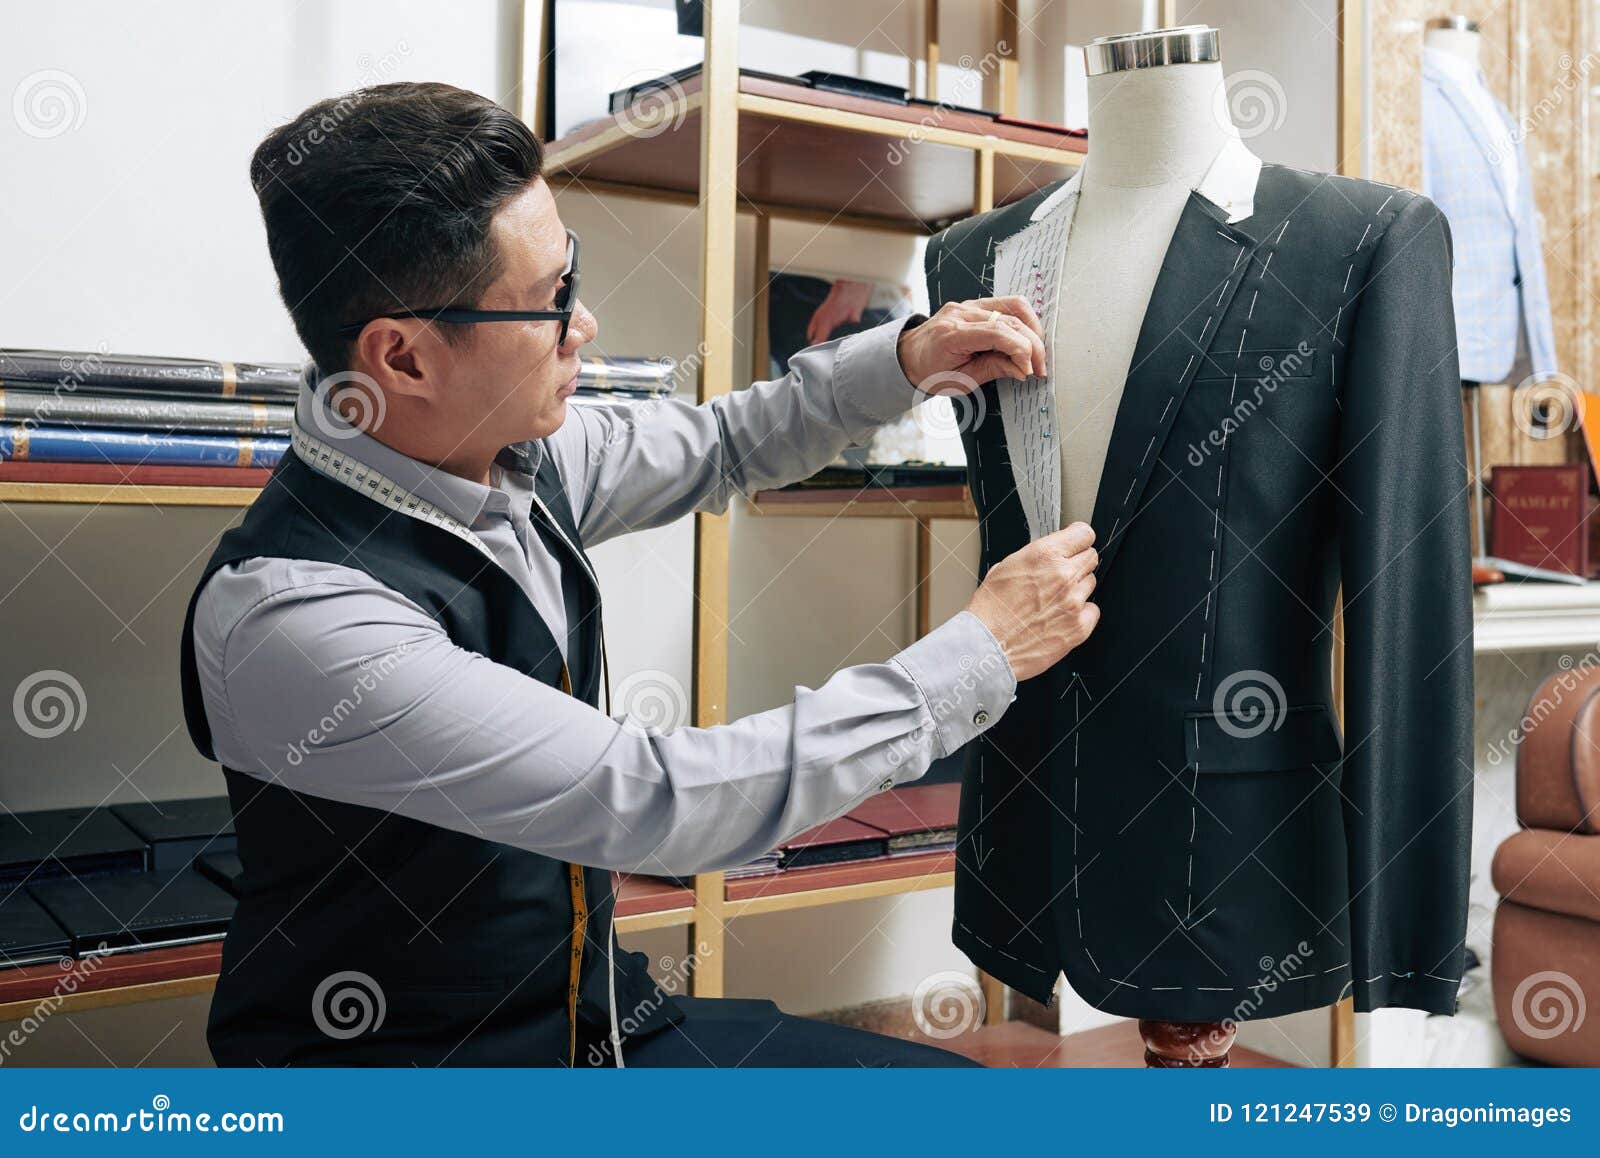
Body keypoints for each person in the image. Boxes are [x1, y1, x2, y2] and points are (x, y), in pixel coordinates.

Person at [178, 81, 1100, 1067]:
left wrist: (910, 358)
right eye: (548, 301)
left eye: (570, 275)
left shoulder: (510, 454)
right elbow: (661, 802)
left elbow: (721, 445)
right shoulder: (300, 618)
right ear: (401, 360)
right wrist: (980, 654)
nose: (583, 323)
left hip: (594, 1026)